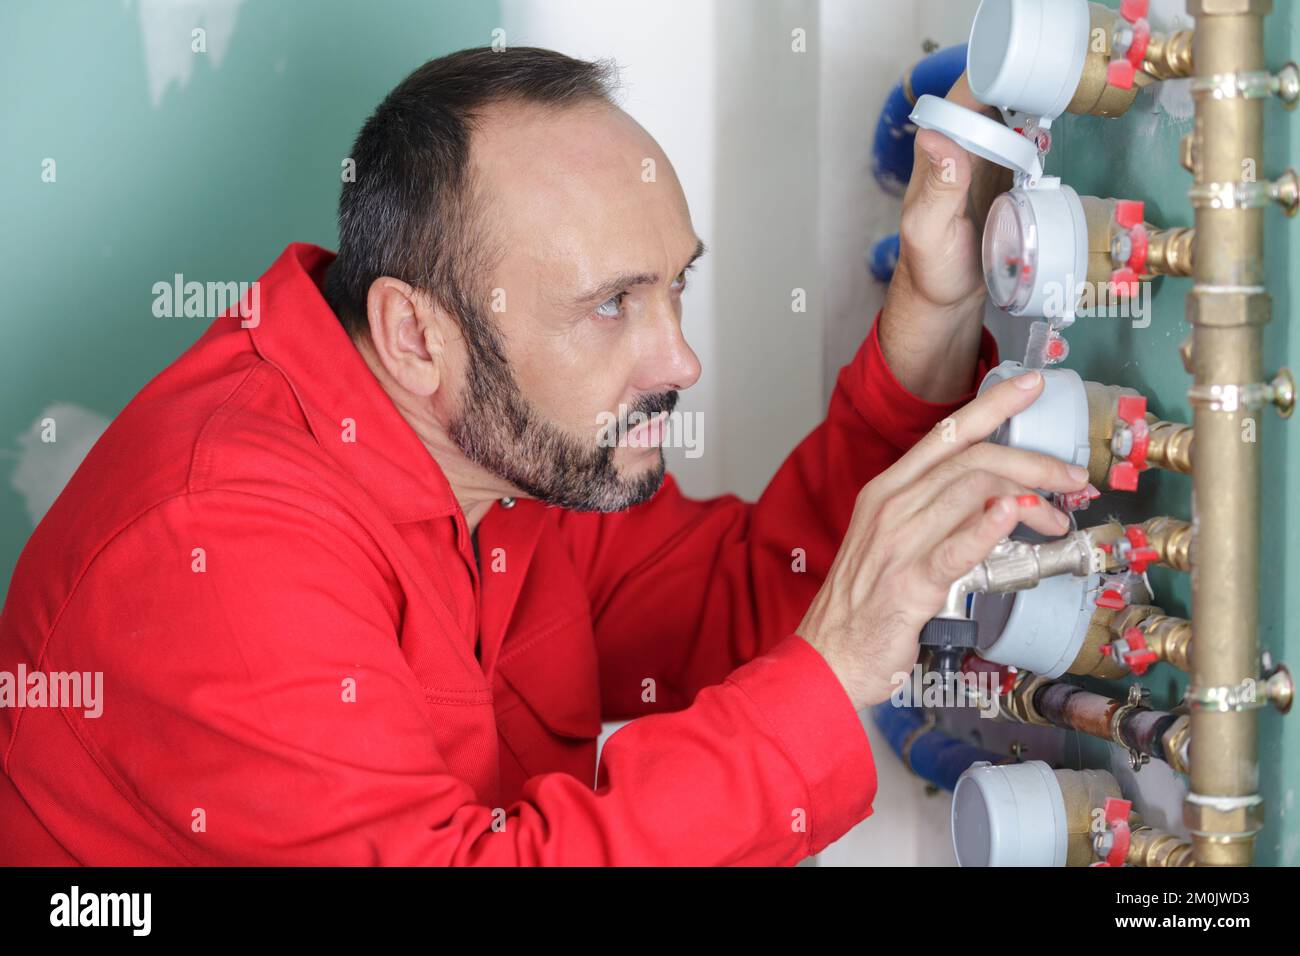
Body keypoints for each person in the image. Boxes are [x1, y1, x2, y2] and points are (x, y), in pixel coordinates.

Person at [0, 48, 1087, 865]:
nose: (681, 358)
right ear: (416, 335)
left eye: (674, 285)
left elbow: (740, 598)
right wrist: (836, 666)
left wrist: (933, 308)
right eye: (611, 304)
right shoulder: (220, 545)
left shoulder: (496, 444)